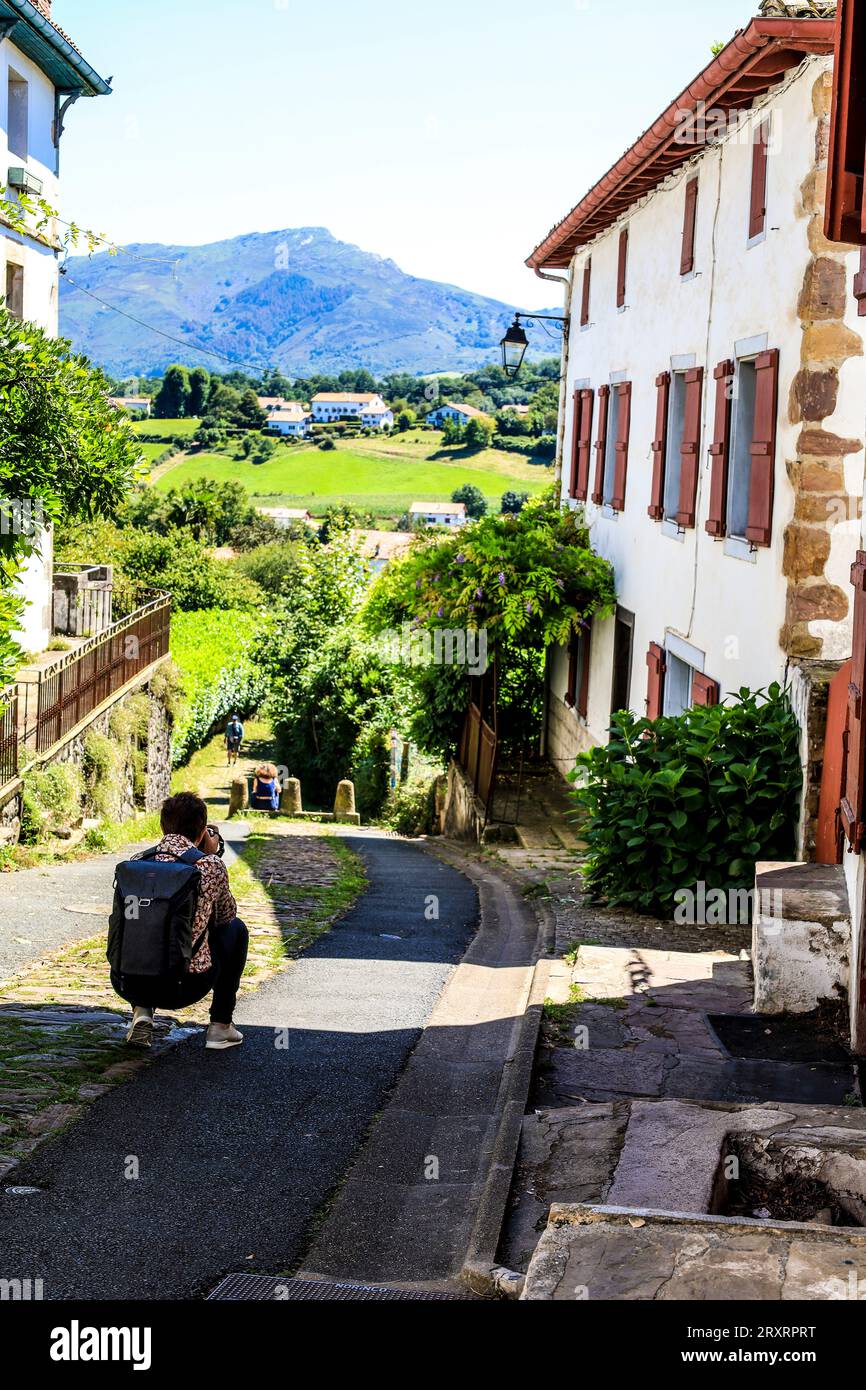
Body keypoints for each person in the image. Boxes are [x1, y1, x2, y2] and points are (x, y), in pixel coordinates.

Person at [111, 793, 249, 1051]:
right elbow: (226, 916)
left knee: (143, 932)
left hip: (126, 981)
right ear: (201, 830)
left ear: (163, 826)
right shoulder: (209, 866)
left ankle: (142, 1010)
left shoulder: (136, 862)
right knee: (237, 930)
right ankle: (220, 1027)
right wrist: (210, 855)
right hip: (185, 985)